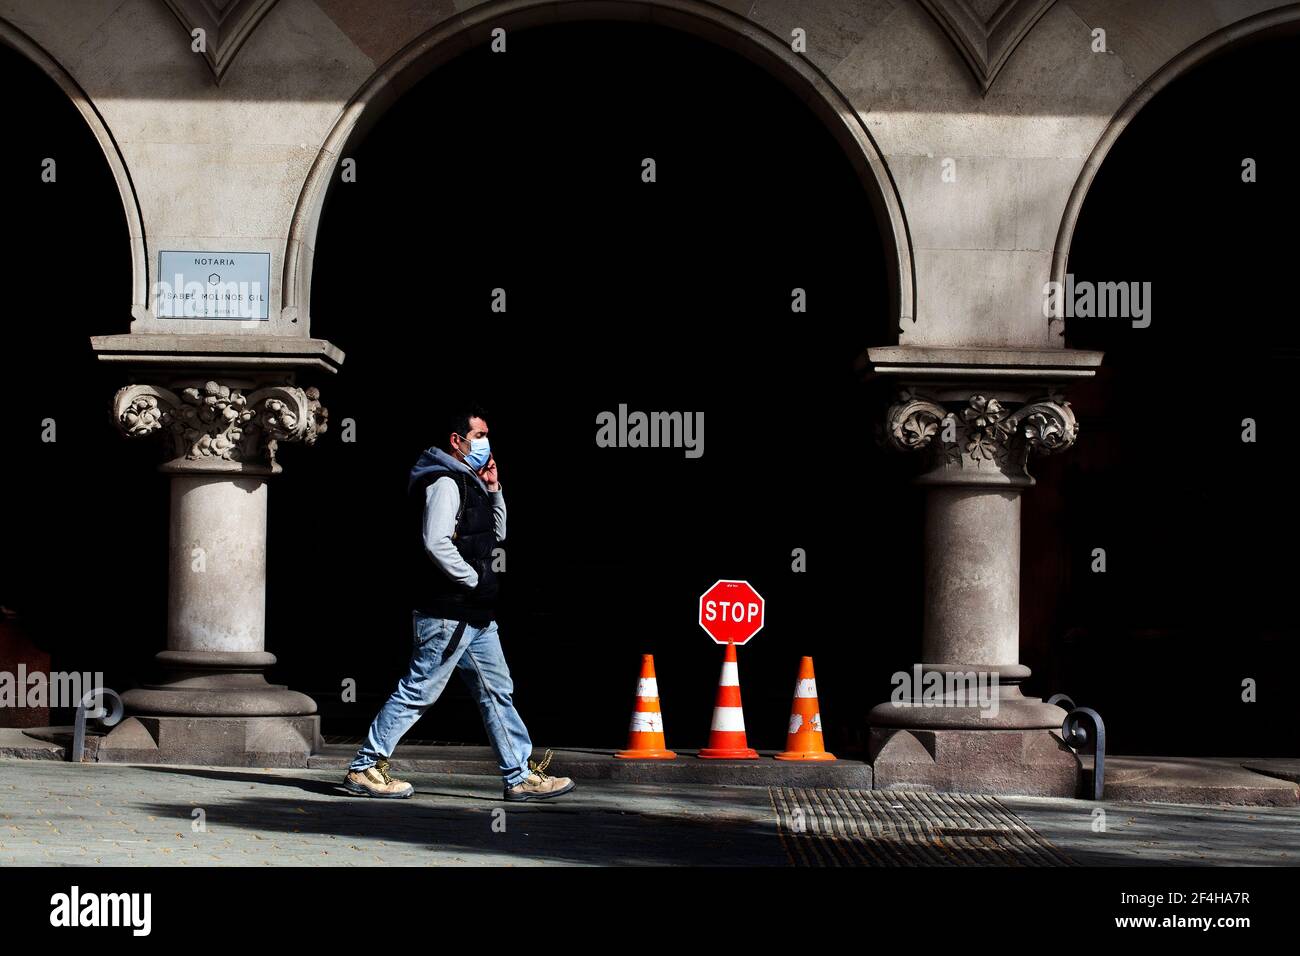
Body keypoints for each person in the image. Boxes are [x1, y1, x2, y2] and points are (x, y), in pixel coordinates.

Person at [342, 407, 575, 802]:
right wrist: (471, 580)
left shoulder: (470, 482)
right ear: (457, 439)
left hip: (476, 615)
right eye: (479, 434)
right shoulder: (444, 482)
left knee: (497, 690)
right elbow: (435, 542)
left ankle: (518, 776)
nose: (486, 442)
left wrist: (495, 489)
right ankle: (364, 768)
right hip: (448, 612)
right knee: (420, 690)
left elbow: (495, 535)